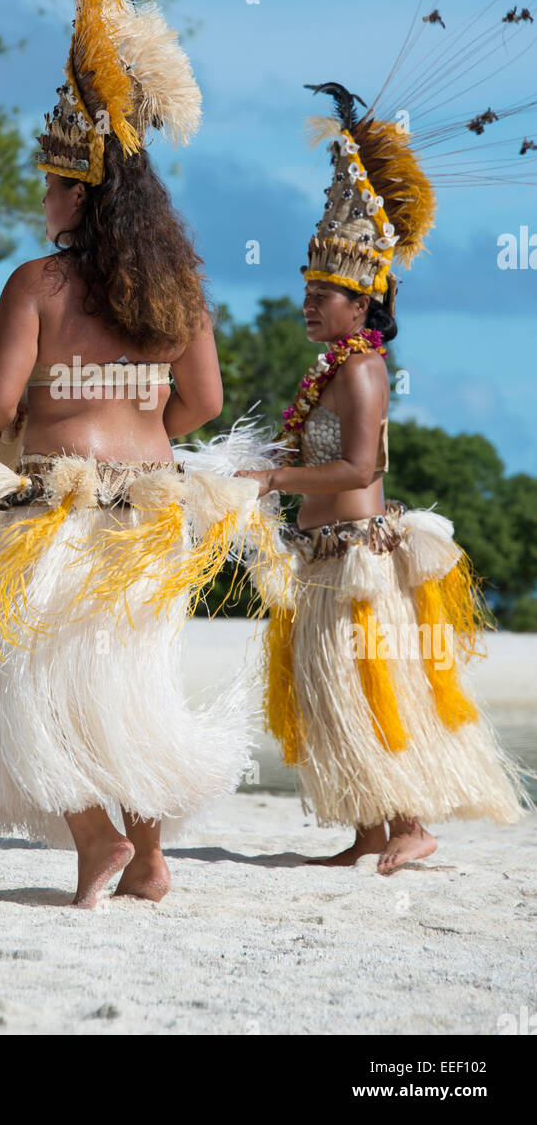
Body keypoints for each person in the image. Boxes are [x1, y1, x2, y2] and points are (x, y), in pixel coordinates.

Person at [0, 0, 281, 909]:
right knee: (129, 692)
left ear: (76, 188)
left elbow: (0, 408)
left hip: (61, 514)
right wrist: (139, 420)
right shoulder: (177, 286)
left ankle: (97, 839)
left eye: (50, 179)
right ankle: (146, 857)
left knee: (35, 688)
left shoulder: (39, 283)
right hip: (152, 513)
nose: (41, 194)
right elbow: (199, 403)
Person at [240, 81, 529, 874]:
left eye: (320, 295)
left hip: (357, 556)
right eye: (304, 292)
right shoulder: (331, 366)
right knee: (331, 691)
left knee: (372, 686)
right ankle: (369, 831)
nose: (306, 306)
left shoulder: (362, 369)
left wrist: (275, 481)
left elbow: (360, 466)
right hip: (325, 553)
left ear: (359, 300)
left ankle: (408, 824)